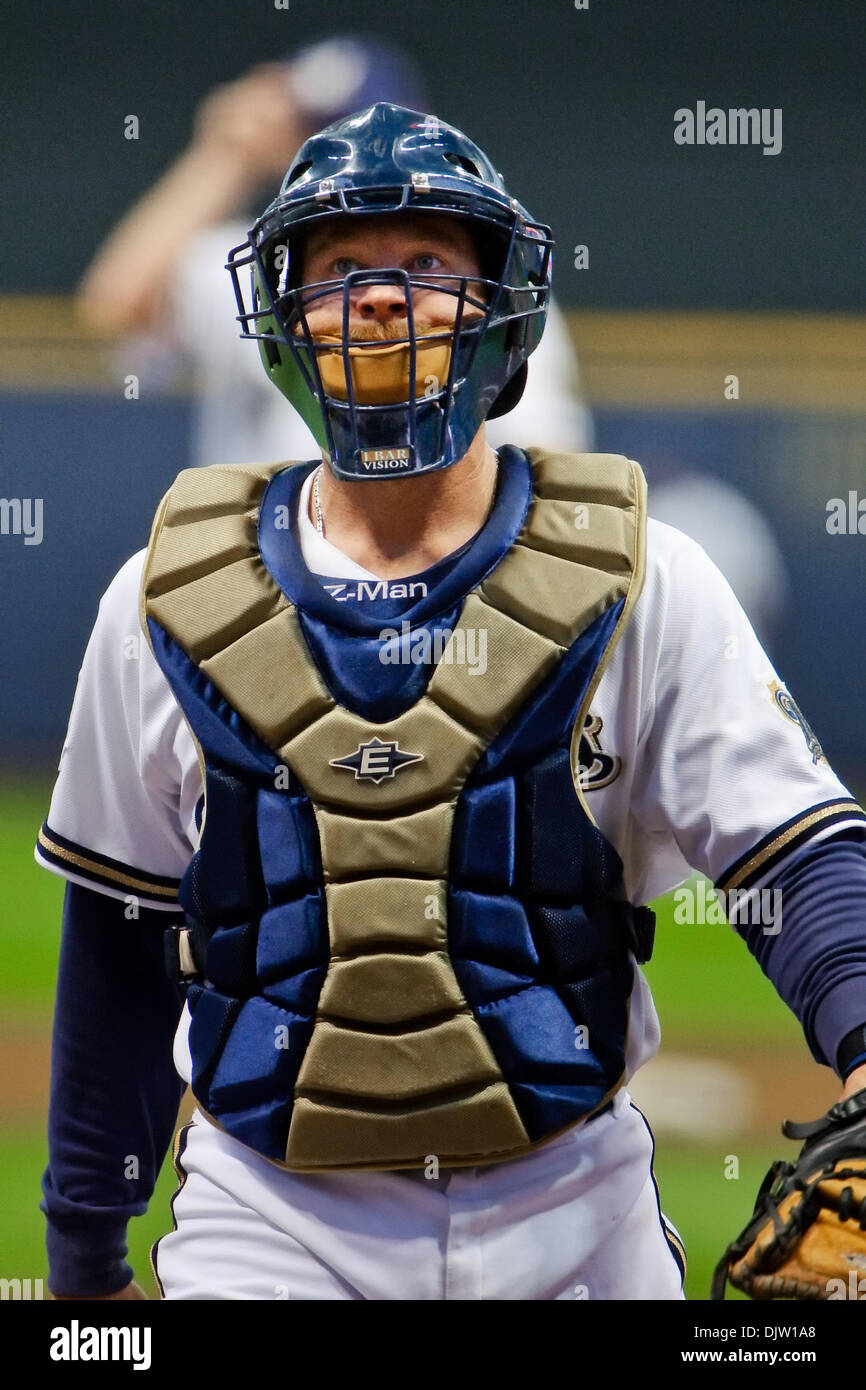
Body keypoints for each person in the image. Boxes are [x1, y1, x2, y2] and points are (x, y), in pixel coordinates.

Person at [38, 103, 866, 1301]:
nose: (380, 299)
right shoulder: (165, 598)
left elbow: (790, 853)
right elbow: (116, 934)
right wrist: (79, 1272)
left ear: (501, 308)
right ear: (285, 317)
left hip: (571, 1204)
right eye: (339, 269)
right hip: (271, 1221)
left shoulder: (640, 577)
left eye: (426, 264)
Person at [76, 37, 592, 468]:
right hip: (272, 558)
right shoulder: (262, 265)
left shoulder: (488, 279)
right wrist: (224, 155)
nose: (361, 152)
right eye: (344, 266)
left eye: (425, 263)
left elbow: (548, 455)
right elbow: (118, 303)